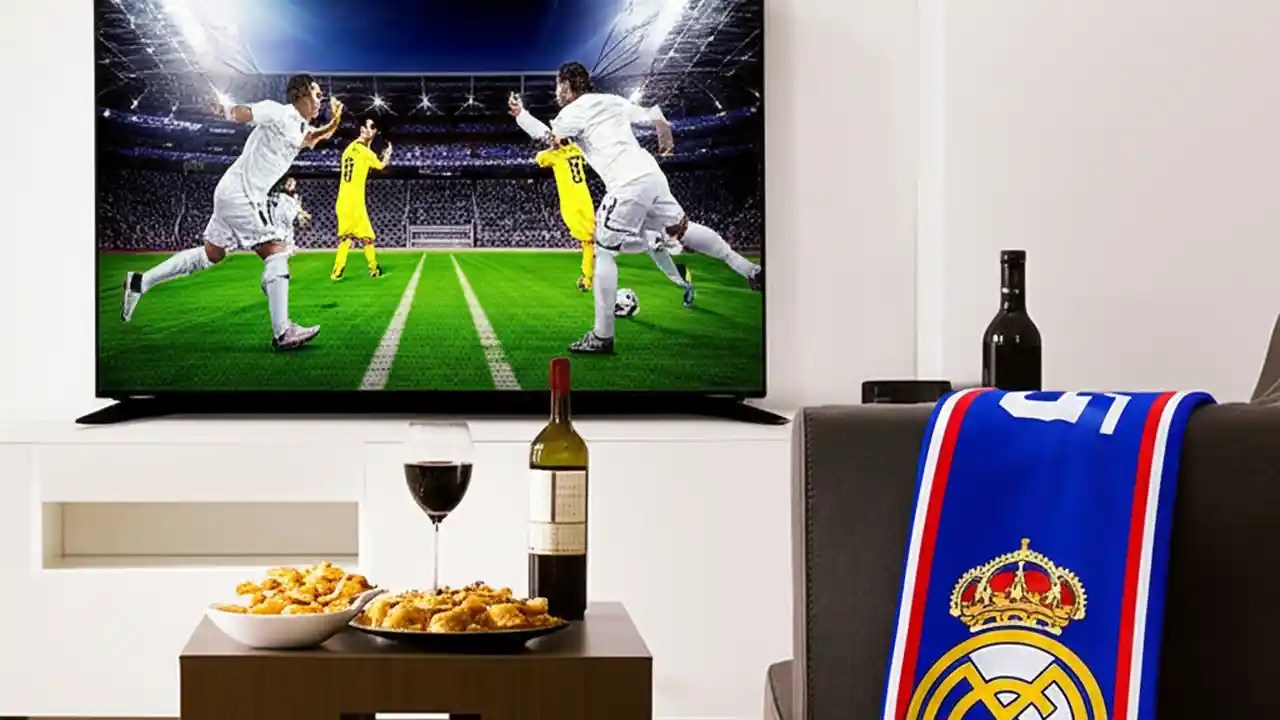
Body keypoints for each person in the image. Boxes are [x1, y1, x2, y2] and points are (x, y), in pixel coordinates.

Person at [509, 62, 761, 354]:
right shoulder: (613, 101)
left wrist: (521, 115)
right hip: (652, 176)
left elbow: (550, 139)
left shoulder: (572, 112)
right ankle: (750, 269)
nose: (556, 92)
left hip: (626, 184)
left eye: (558, 86)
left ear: (567, 86)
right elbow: (650, 113)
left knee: (604, 252)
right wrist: (663, 130)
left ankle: (602, 336)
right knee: (683, 229)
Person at [120, 75, 343, 351]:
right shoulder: (277, 111)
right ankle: (283, 331)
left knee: (211, 255)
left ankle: (140, 282)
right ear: (300, 94)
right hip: (242, 194)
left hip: (232, 191)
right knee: (276, 251)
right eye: (317, 94)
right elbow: (245, 113)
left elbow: (310, 139)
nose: (320, 100)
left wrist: (333, 123)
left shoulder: (298, 126)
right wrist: (223, 110)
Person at [532, 135, 694, 305]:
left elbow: (540, 158)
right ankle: (662, 250)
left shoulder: (559, 154)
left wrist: (553, 146)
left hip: (604, 199)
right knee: (609, 244)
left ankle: (653, 244)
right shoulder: (579, 149)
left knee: (601, 242)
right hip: (613, 195)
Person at [331, 118, 392, 280]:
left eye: (371, 127)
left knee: (346, 237)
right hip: (355, 202)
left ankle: (337, 270)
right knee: (367, 238)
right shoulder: (366, 153)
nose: (367, 129)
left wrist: (370, 145)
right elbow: (380, 166)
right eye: (366, 126)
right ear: (361, 130)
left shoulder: (348, 149)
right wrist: (388, 154)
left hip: (342, 200)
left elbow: (361, 163)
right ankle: (374, 269)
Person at [268, 176, 310, 257]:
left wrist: (302, 215)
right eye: (289, 183)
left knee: (289, 233)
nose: (291, 185)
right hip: (280, 219)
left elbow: (297, 207)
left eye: (293, 183)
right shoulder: (281, 196)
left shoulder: (293, 197)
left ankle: (290, 248)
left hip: (287, 218)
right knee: (282, 234)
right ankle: (284, 250)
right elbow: (297, 208)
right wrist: (305, 215)